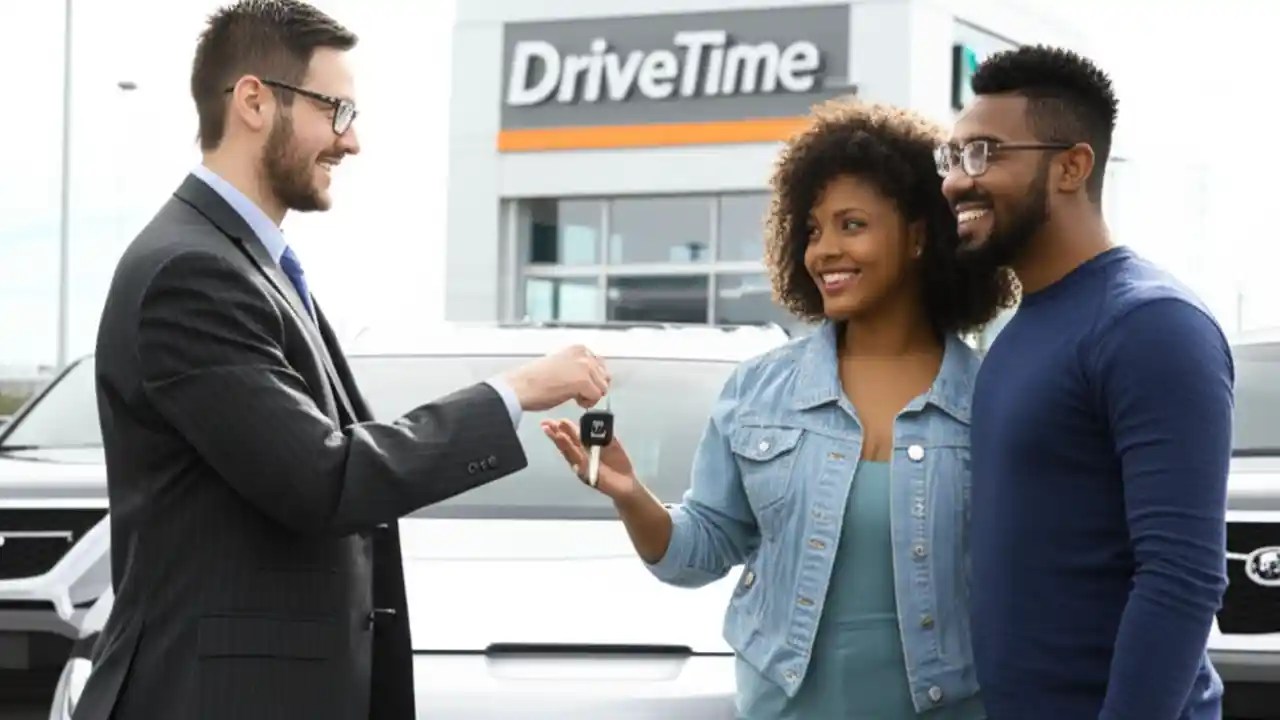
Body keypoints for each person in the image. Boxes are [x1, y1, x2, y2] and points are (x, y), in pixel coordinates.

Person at [72, 2, 610, 719]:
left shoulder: (238, 263)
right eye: (337, 110)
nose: (350, 142)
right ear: (255, 101)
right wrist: (515, 391)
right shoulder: (190, 274)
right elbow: (324, 478)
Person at [542, 98, 1016, 719]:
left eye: (852, 225)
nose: (822, 252)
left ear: (920, 235)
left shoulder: (994, 398)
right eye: (814, 230)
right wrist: (631, 494)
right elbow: (699, 551)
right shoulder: (759, 392)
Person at [938, 45, 1233, 720]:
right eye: (952, 158)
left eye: (984, 153)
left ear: (1071, 166)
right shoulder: (1020, 333)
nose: (957, 181)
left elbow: (1182, 579)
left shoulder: (1152, 323)